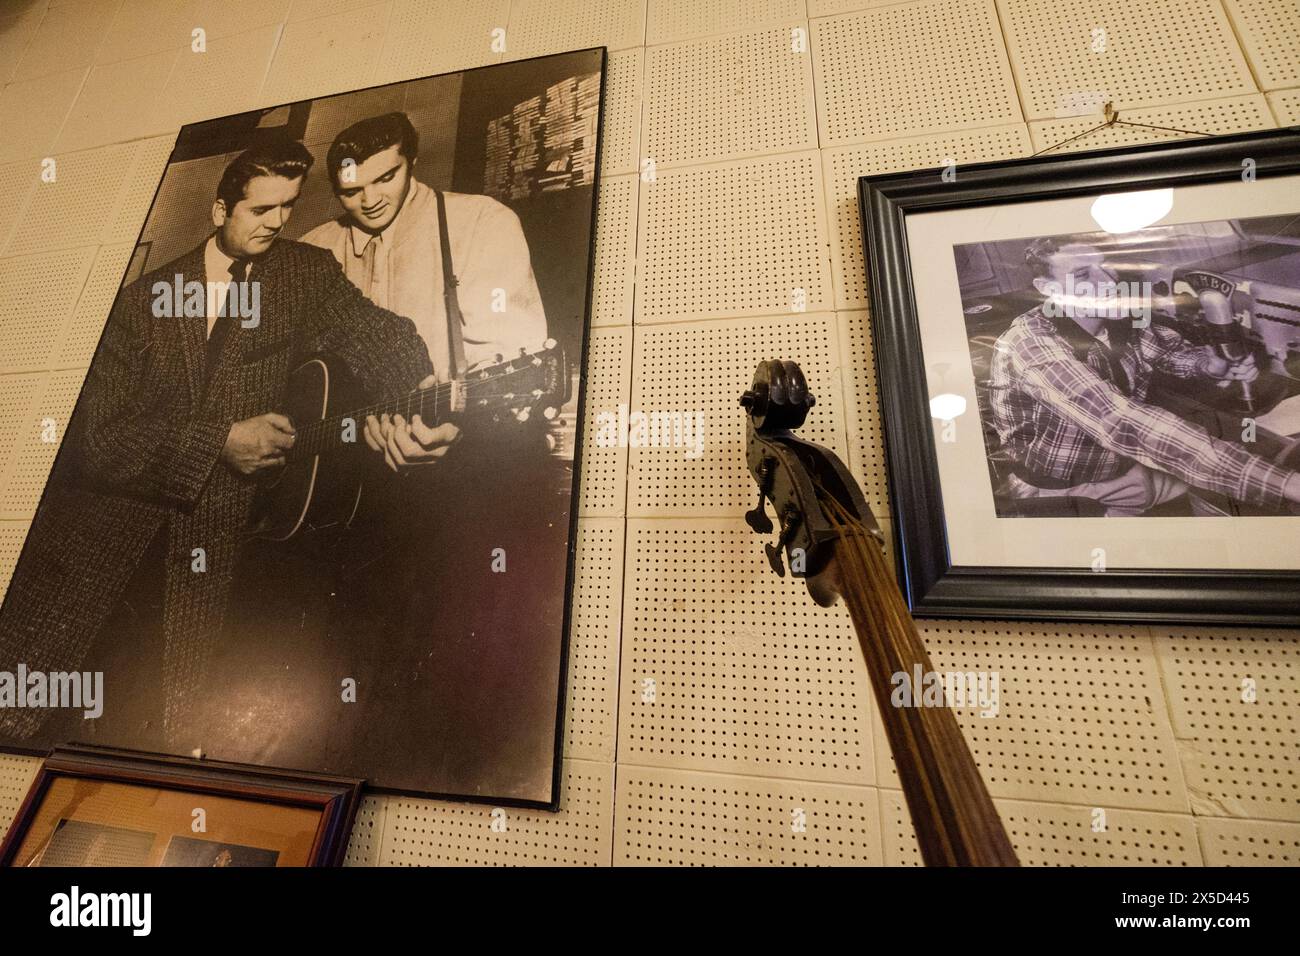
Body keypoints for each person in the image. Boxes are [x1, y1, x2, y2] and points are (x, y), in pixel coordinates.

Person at [0, 133, 455, 746]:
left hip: (218, 550)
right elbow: (102, 443)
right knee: (32, 720)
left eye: (289, 206)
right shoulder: (137, 305)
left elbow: (384, 336)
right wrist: (219, 440)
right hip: (96, 548)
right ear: (221, 210)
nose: (278, 223)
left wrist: (419, 396)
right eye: (260, 210)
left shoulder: (304, 274)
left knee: (162, 730)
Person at [988, 237, 1300, 515]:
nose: (1109, 282)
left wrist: (1210, 364)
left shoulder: (1121, 320)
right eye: (1083, 275)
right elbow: (1125, 423)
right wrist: (1287, 484)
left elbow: (1168, 352)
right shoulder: (1030, 344)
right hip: (1065, 494)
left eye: (1107, 267)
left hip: (1126, 467)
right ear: (1049, 290)